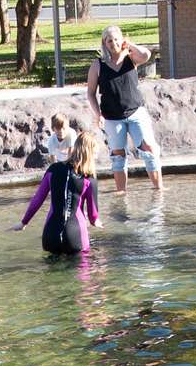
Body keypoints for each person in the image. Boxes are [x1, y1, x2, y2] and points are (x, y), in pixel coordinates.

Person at [84, 25, 164, 202]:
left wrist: (130, 45)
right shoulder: (98, 65)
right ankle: (121, 195)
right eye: (109, 40)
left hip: (135, 112)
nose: (113, 43)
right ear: (104, 43)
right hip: (112, 118)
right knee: (118, 156)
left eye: (116, 39)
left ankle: (158, 190)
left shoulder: (131, 58)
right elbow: (90, 93)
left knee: (148, 151)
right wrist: (99, 114)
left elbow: (146, 55)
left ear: (122, 39)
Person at [14, 129, 102, 254]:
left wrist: (24, 222)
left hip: (50, 234)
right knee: (83, 267)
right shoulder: (89, 178)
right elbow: (93, 217)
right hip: (75, 235)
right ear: (89, 154)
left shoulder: (53, 169)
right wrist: (97, 221)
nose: (96, 157)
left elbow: (38, 199)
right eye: (95, 154)